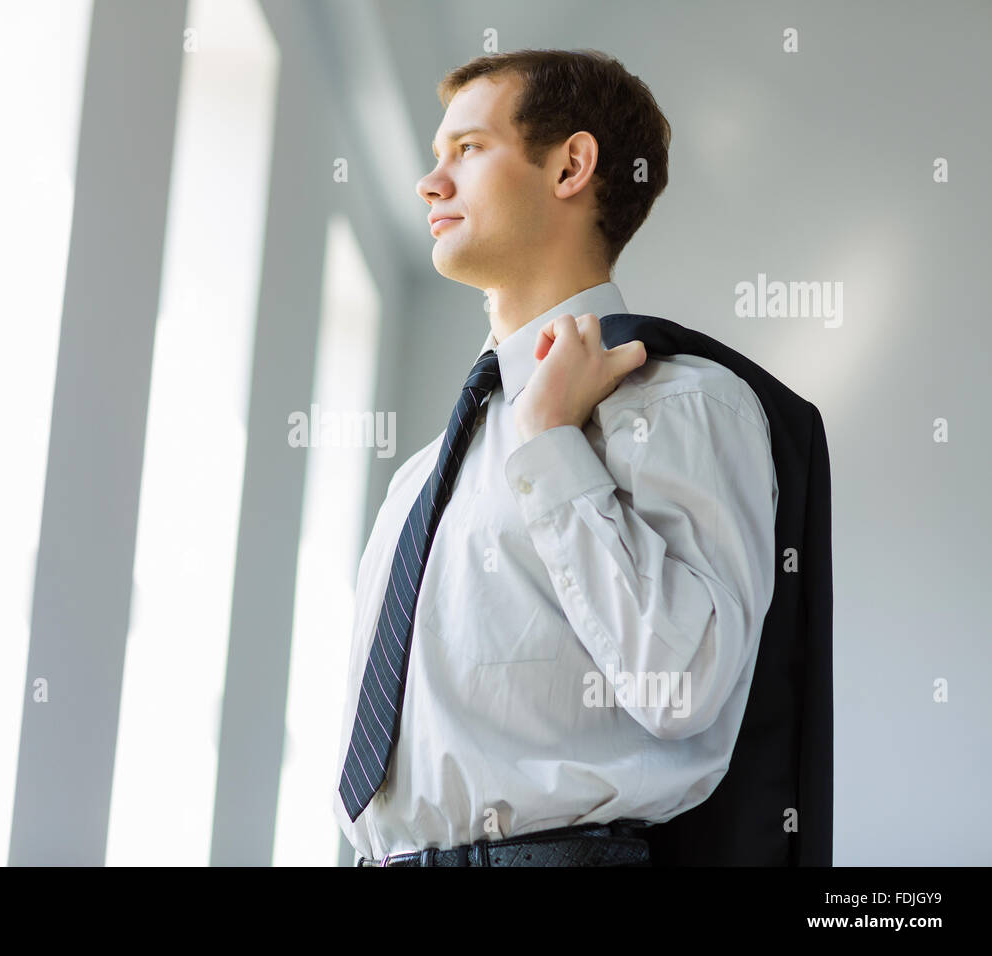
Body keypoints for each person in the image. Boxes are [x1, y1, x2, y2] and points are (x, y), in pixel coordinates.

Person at [334, 49, 779, 867]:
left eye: (467, 150)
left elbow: (683, 686)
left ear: (571, 165)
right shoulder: (418, 482)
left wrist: (550, 446)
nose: (431, 184)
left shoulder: (686, 404)